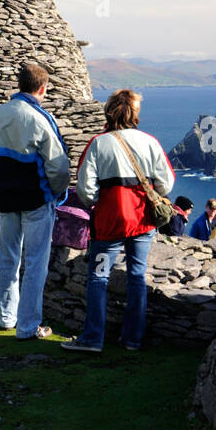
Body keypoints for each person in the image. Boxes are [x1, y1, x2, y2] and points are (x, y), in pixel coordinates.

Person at [63, 88, 174, 353]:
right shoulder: (150, 142)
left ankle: (92, 339)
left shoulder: (99, 143)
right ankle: (133, 339)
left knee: (99, 277)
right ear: (135, 113)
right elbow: (166, 184)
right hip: (143, 222)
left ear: (109, 111)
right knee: (137, 275)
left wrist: (98, 202)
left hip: (109, 224)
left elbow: (85, 190)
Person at [0, 62, 70, 340]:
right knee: (35, 263)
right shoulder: (40, 118)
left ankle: (6, 316)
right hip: (35, 200)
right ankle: (29, 326)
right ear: (42, 88)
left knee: (8, 259)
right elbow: (59, 167)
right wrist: (56, 194)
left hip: (4, 200)